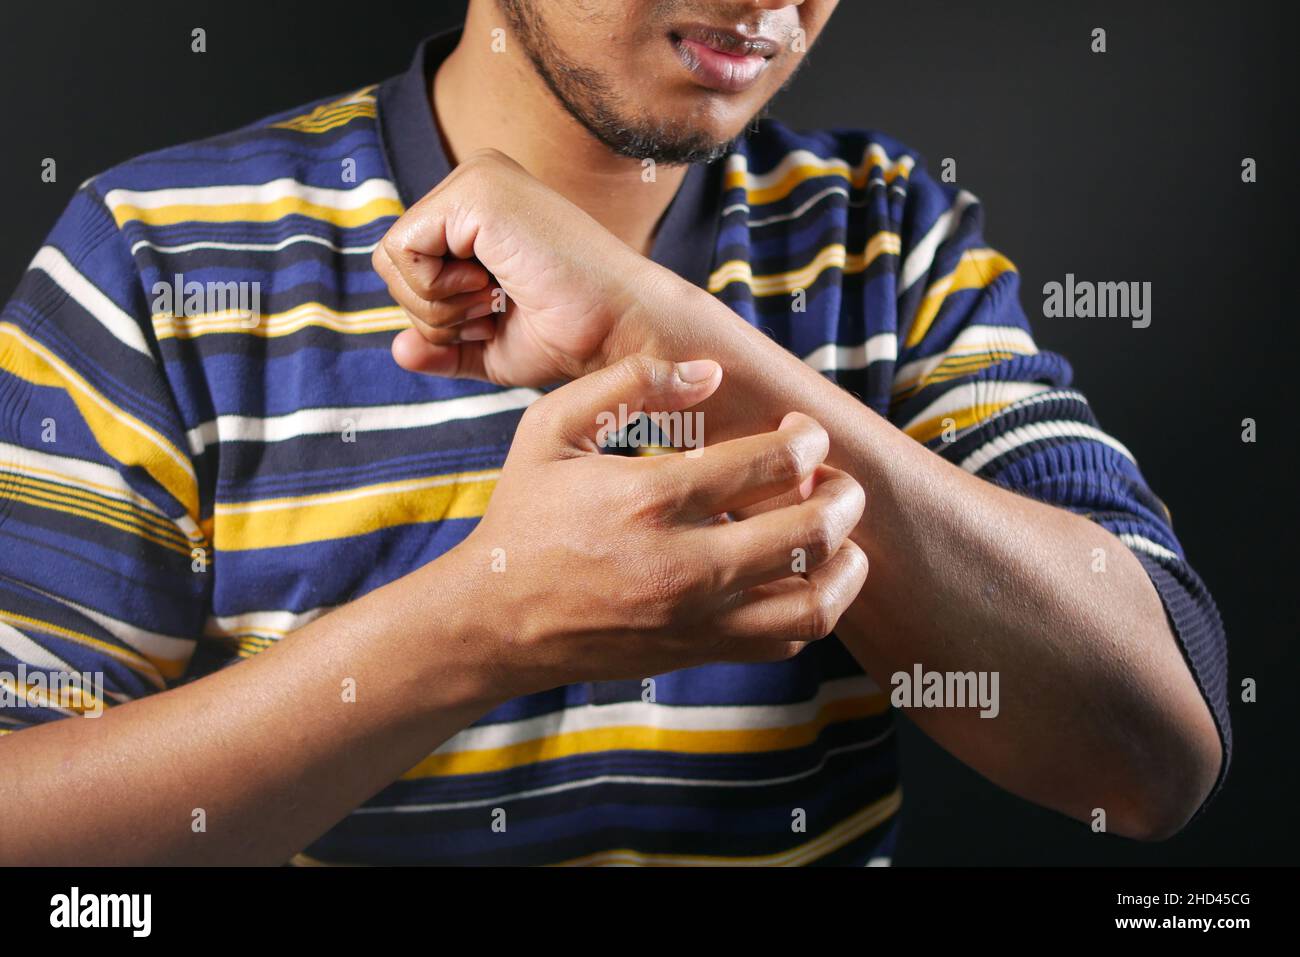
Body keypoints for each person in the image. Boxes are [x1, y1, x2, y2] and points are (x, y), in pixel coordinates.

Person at [0, 1, 1228, 866]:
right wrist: (480, 626)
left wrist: (669, 331)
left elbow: (1151, 757)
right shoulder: (162, 249)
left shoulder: (886, 234)